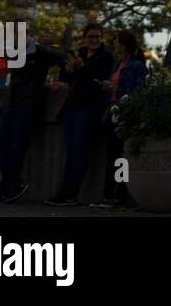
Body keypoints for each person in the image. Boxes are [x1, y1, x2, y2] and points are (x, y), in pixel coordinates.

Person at [0, 35, 68, 204]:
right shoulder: (12, 51)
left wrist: (61, 81)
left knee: (17, 149)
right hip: (10, 105)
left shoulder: (41, 51)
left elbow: (64, 59)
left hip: (28, 106)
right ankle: (14, 184)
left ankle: (5, 189)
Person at [44, 24, 114, 207]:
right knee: (70, 151)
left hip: (90, 107)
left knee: (79, 151)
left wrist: (82, 68)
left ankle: (69, 194)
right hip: (72, 106)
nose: (94, 40)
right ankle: (65, 192)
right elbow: (68, 79)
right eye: (91, 36)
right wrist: (65, 75)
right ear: (85, 37)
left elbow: (98, 82)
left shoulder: (106, 57)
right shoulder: (79, 54)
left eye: (97, 37)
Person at [92, 29, 148, 209]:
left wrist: (114, 89)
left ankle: (117, 195)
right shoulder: (119, 64)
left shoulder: (137, 65)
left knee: (120, 157)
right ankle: (109, 195)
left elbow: (136, 92)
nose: (114, 45)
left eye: (116, 42)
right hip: (113, 113)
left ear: (123, 45)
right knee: (112, 157)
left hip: (124, 116)